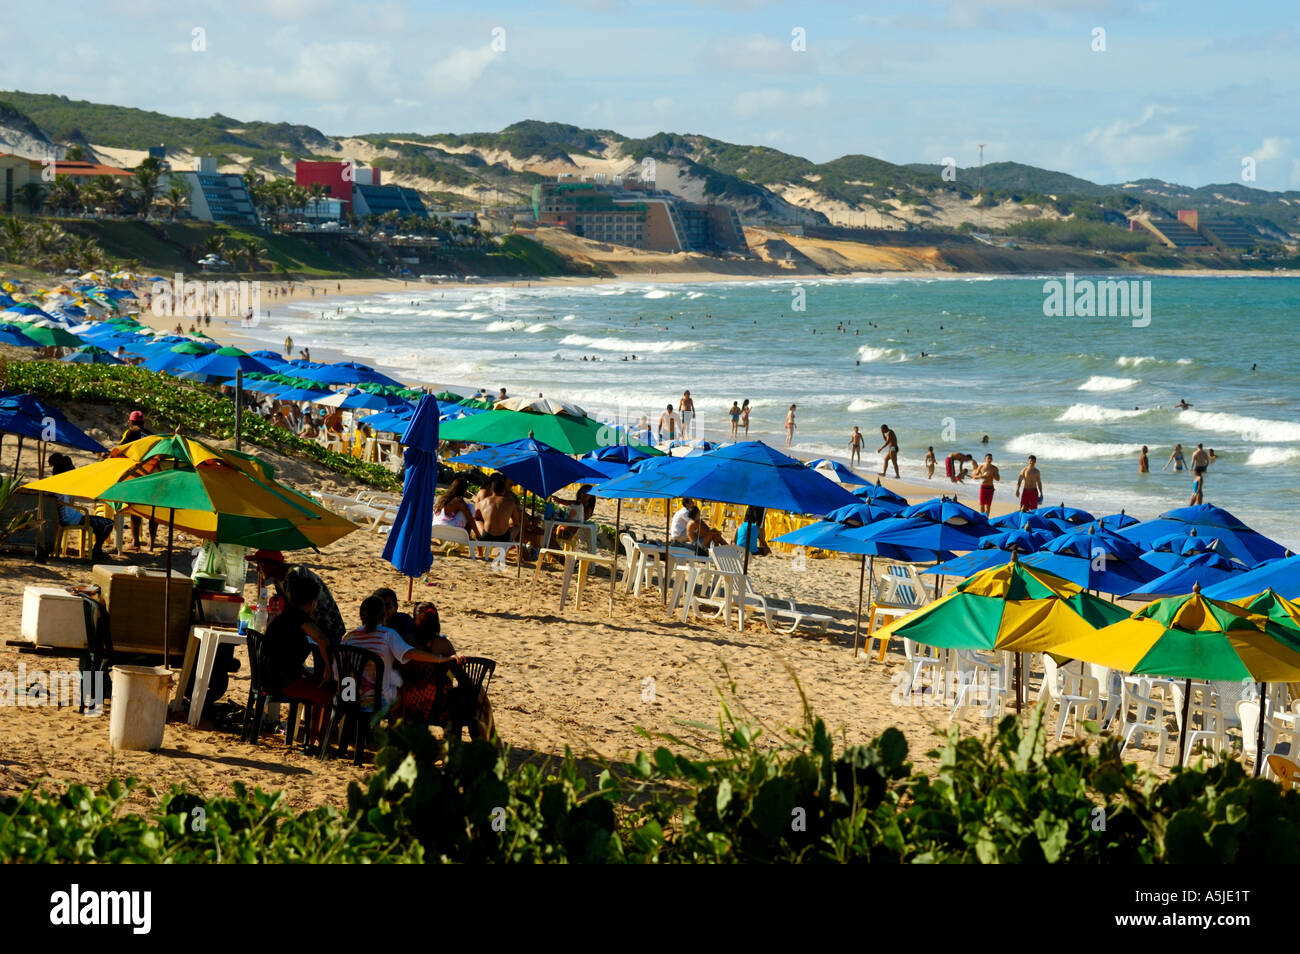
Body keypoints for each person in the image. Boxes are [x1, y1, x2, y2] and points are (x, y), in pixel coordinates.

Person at [343, 597, 462, 714]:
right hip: (379, 700)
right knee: (400, 691)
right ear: (383, 615)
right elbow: (411, 653)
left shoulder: (348, 638)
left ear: (360, 616)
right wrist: (442, 659)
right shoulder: (388, 635)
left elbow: (339, 673)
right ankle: (394, 730)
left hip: (347, 699)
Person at [400, 603, 495, 739]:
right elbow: (461, 678)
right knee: (473, 693)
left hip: (409, 702)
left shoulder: (405, 641)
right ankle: (482, 738)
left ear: (415, 621)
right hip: (437, 705)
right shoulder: (442, 645)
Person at [261, 575, 336, 743]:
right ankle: (321, 742)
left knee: (318, 685)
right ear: (311, 602)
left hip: (267, 678)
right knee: (329, 695)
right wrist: (328, 669)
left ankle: (314, 738)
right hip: (283, 682)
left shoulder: (283, 616)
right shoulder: (299, 618)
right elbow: (322, 640)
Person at [251, 550, 347, 644]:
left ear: (272, 564)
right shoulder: (278, 579)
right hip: (310, 626)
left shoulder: (295, 574)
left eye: (260, 565)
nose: (257, 569)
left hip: (327, 626)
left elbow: (296, 610)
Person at [48, 453, 112, 560]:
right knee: (108, 523)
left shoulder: (54, 484)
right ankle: (96, 550)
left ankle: (97, 550)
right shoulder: (64, 485)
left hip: (67, 517)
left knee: (99, 525)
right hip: (73, 519)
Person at [117, 411, 154, 550]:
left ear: (130, 422)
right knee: (152, 512)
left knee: (135, 510)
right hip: (152, 474)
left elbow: (119, 449)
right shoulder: (151, 435)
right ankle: (152, 543)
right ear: (143, 422)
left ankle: (136, 543)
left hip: (136, 475)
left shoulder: (130, 433)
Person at [475, 474, 521, 544]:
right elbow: (516, 522)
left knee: (477, 521)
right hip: (504, 538)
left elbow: (475, 516)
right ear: (504, 490)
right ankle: (512, 546)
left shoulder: (482, 502)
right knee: (518, 527)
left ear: (492, 489)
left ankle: (480, 550)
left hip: (486, 537)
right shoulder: (511, 503)